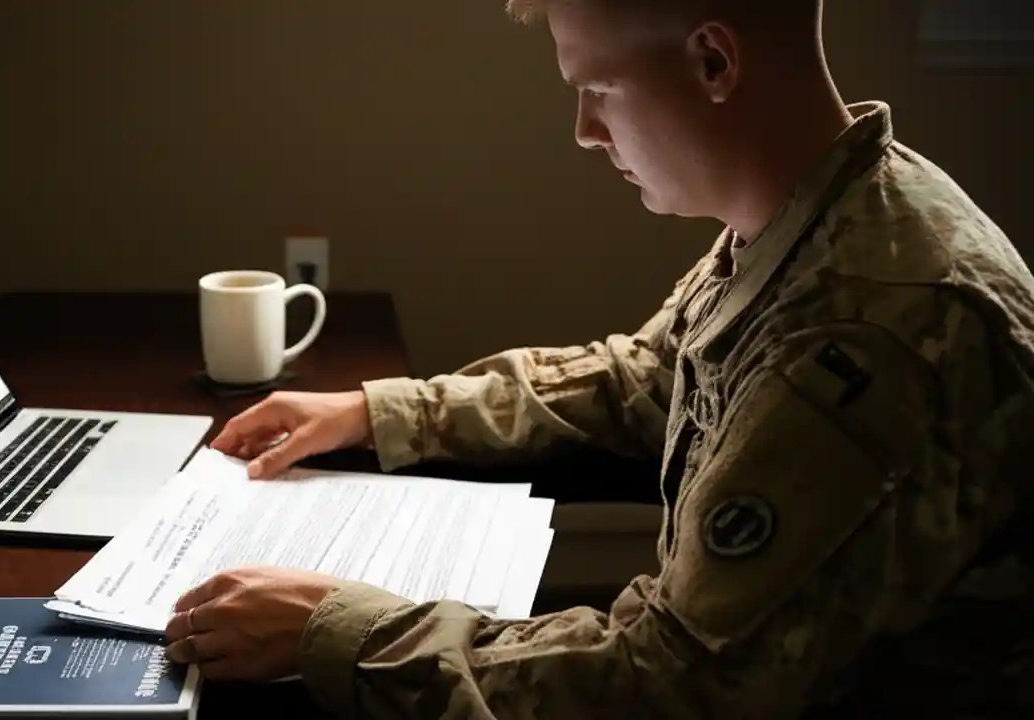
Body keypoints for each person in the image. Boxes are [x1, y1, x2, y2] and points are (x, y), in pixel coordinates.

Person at [164, 0, 1034, 716]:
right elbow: (640, 381)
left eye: (599, 89)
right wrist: (379, 412)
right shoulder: (824, 216)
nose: (584, 130)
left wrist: (335, 630)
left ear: (714, 63)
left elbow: (665, 683)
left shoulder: (873, 330)